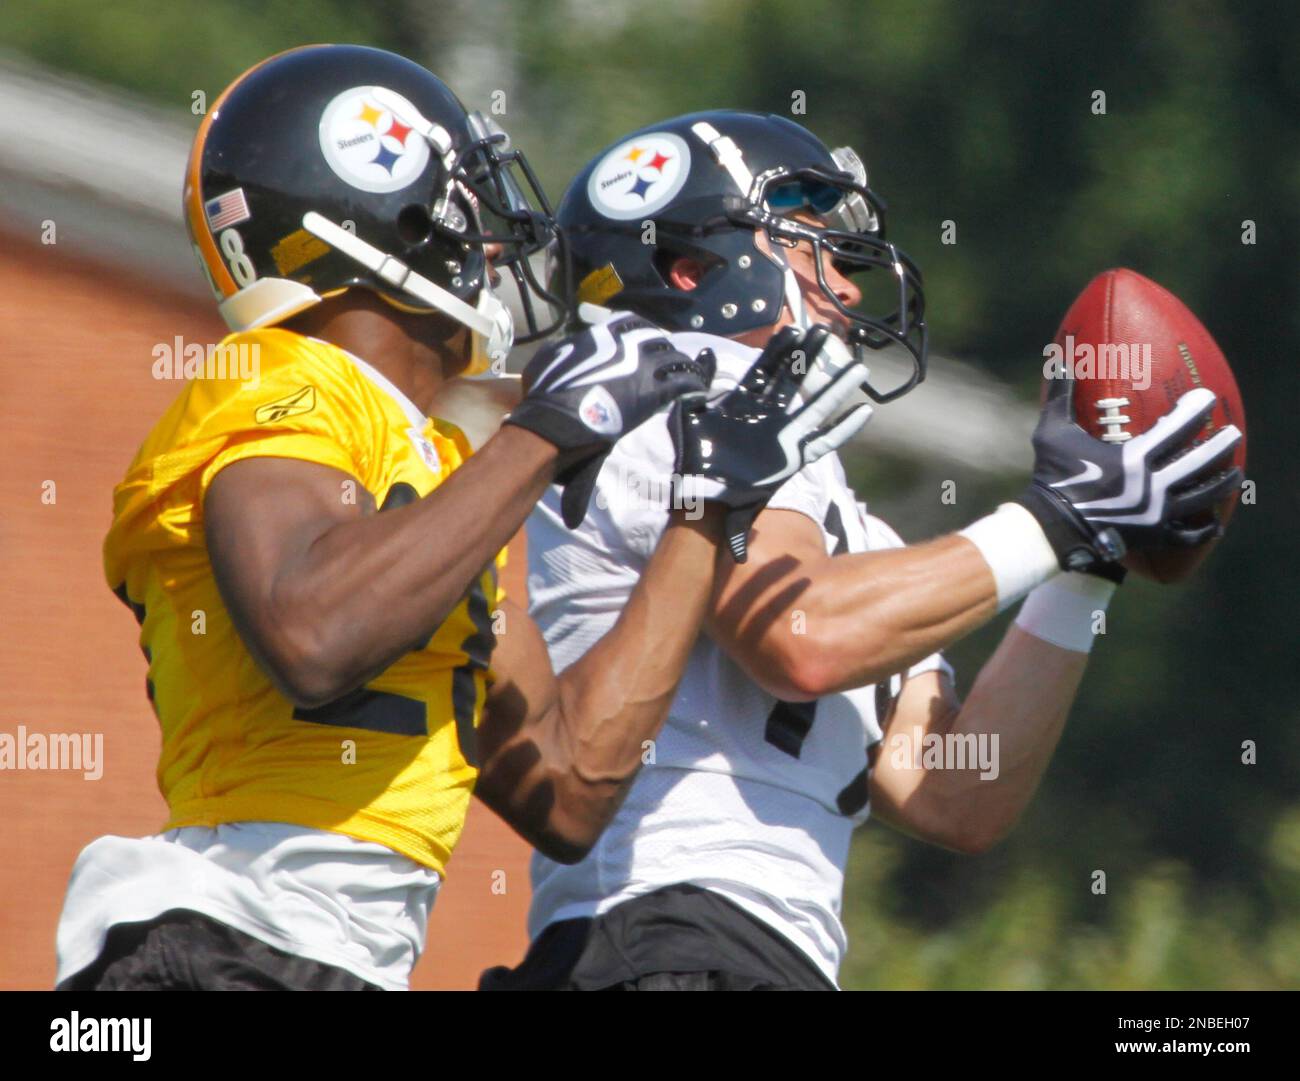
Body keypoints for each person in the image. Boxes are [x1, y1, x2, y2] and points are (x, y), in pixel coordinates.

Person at [54, 54, 869, 992]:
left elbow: (569, 788)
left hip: (333, 960)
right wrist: (547, 432)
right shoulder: (276, 379)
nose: (496, 240)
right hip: (221, 937)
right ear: (394, 213)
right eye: (469, 204)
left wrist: (706, 504)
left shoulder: (441, 474)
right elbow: (312, 631)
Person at [481, 110, 1243, 990]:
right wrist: (1055, 519)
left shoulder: (836, 509)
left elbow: (955, 787)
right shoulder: (674, 396)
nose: (846, 288)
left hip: (746, 948)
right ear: (692, 267)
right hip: (665, 934)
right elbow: (801, 636)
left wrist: (1086, 560)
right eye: (817, 252)